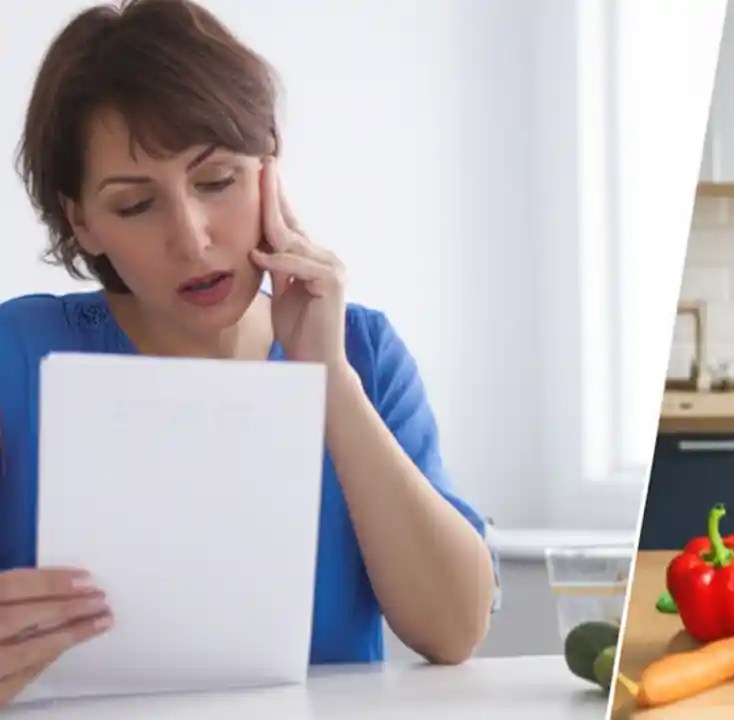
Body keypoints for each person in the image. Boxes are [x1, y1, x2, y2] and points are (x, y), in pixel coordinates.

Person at [0, 0, 497, 704]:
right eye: (136, 205)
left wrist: (328, 379)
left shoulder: (364, 351)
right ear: (82, 221)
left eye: (217, 181)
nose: (193, 237)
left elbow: (454, 631)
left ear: (270, 166)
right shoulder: (17, 356)